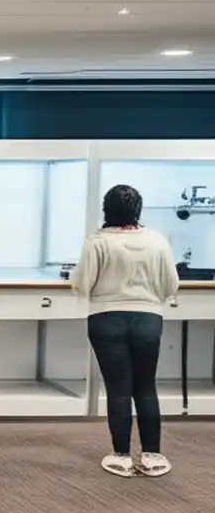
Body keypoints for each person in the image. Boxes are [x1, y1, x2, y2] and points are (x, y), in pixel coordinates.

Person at [71, 185, 179, 478]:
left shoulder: (97, 241)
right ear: (138, 209)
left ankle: (121, 456)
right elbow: (171, 284)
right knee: (145, 387)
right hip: (148, 319)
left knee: (118, 389)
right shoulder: (157, 240)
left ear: (107, 210)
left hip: (106, 319)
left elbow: (82, 284)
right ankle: (152, 455)